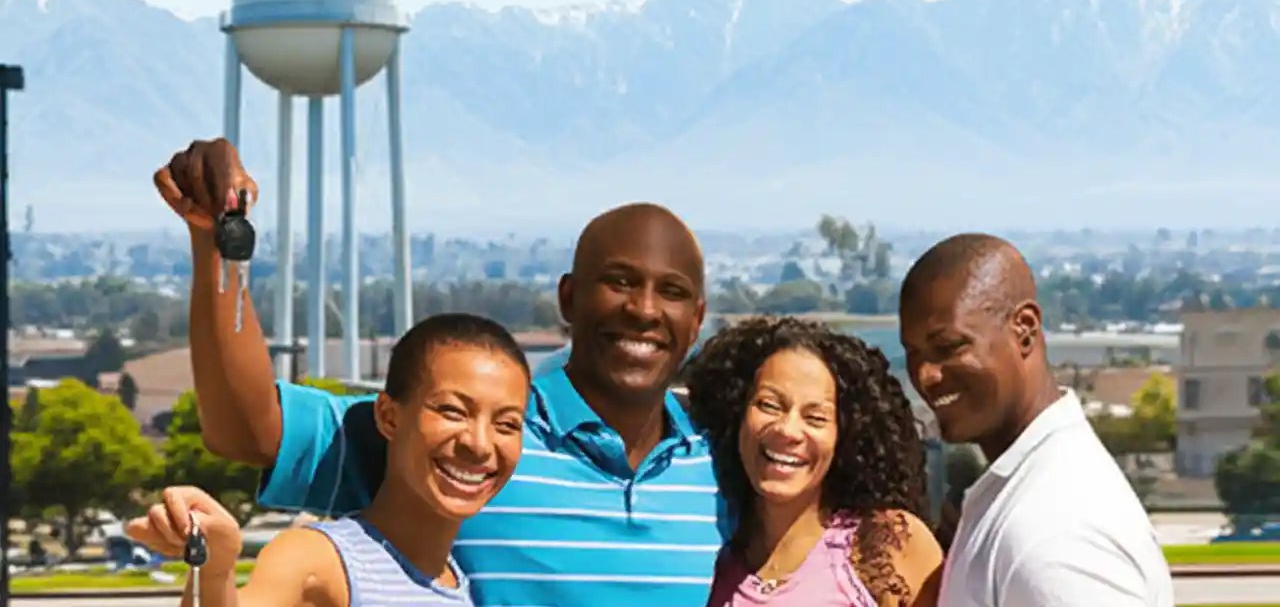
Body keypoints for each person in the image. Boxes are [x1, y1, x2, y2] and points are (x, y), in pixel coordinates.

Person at [153, 138, 725, 606]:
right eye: (620, 282)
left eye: (671, 293)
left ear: (697, 320)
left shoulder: (728, 464)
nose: (645, 311)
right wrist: (216, 244)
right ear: (569, 299)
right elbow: (246, 428)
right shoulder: (472, 432)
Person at [125, 312, 532, 606]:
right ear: (389, 416)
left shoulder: (460, 585)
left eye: (507, 424)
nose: (479, 444)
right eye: (452, 411)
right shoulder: (322, 558)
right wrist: (214, 571)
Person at [897, 233, 1175, 606]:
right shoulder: (1026, 493)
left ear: (1024, 328)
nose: (926, 374)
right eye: (913, 353)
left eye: (949, 347)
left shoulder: (1058, 530)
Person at [686, 316, 943, 606]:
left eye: (815, 418)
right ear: (736, 415)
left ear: (844, 436)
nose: (787, 430)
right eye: (769, 405)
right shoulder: (704, 548)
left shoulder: (888, 546)